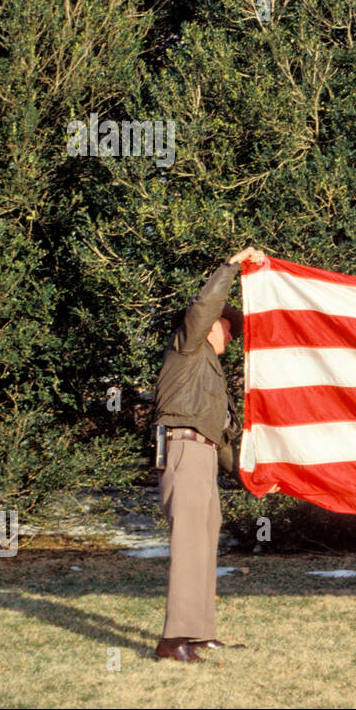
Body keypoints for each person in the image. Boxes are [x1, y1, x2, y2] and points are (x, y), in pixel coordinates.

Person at [151, 245, 269, 662]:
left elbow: (221, 439)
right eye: (228, 326)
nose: (232, 334)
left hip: (201, 455)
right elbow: (203, 306)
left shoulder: (211, 372)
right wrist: (231, 268)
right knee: (188, 542)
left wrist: (249, 475)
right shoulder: (187, 347)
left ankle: (198, 632)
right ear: (208, 327)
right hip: (182, 448)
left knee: (203, 542)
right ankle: (172, 641)